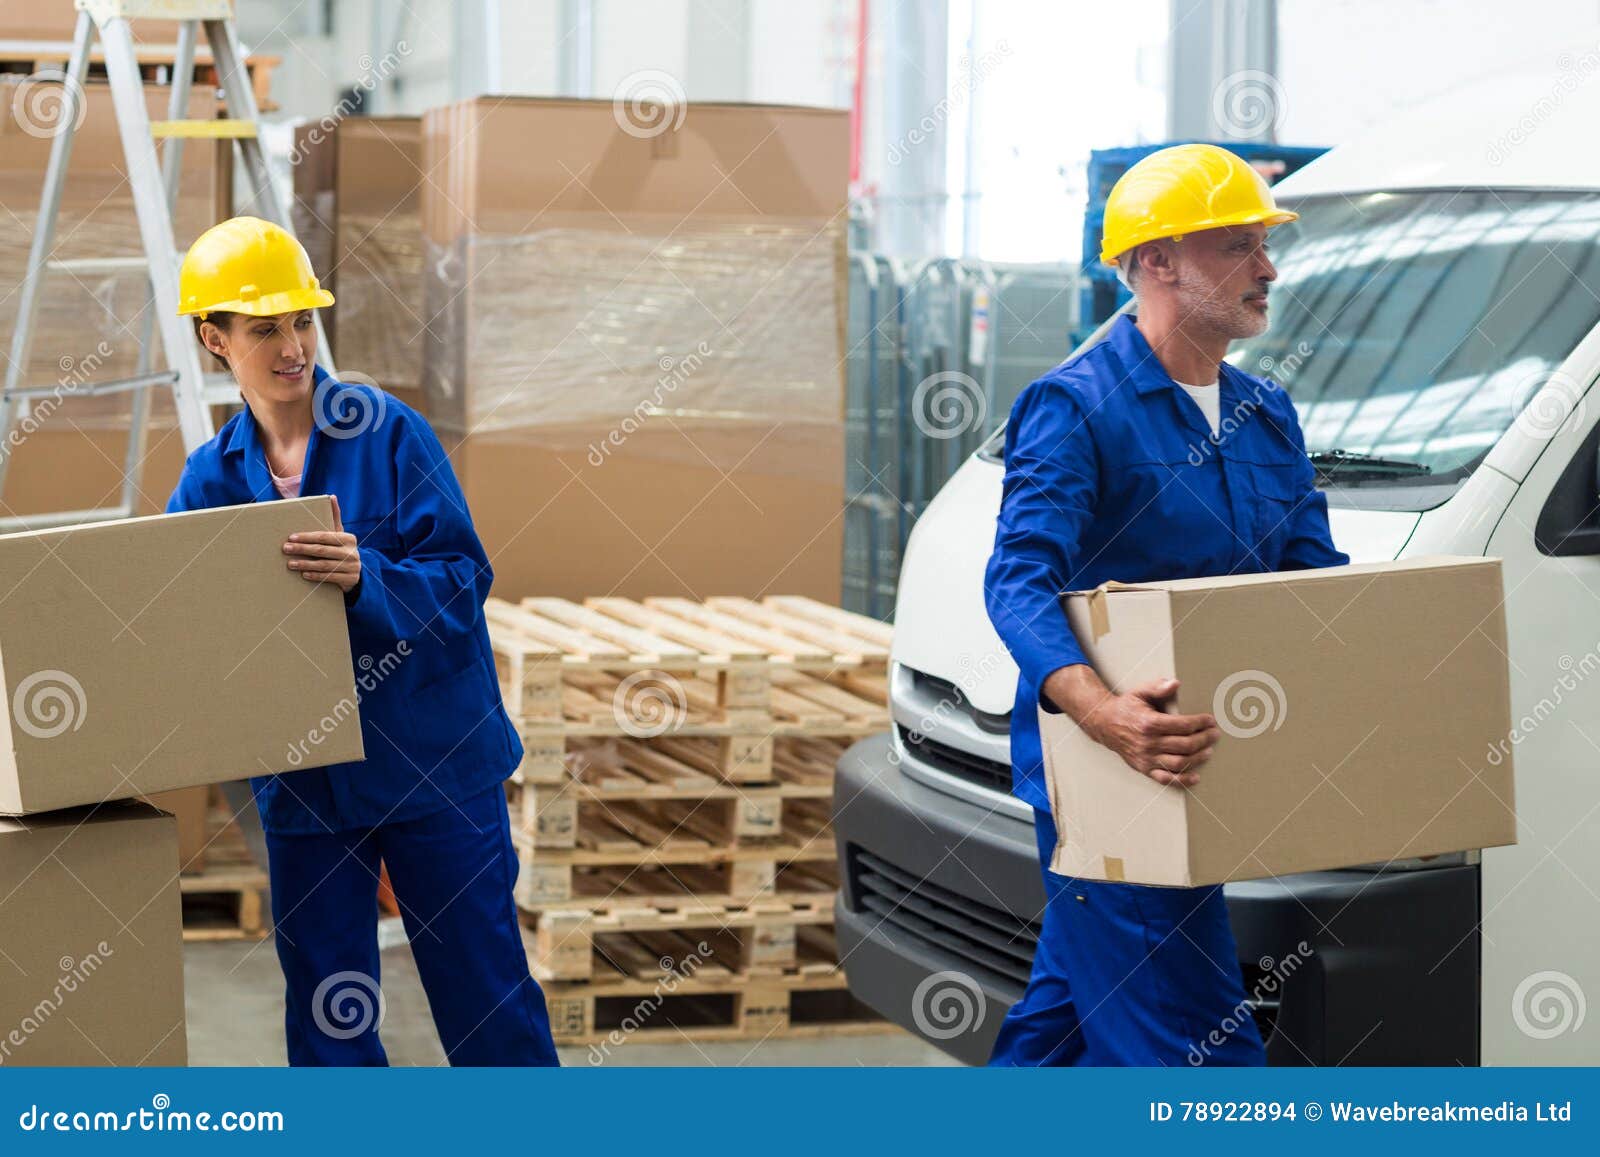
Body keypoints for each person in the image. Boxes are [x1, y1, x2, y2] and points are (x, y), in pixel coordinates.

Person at [983, 144, 1348, 1067]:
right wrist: (1105, 714)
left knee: (1063, 1027)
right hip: (1117, 781)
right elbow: (1017, 582)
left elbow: (1314, 586)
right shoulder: (1079, 407)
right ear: (1155, 263)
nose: (1267, 268)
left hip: (1210, 772)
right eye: (1236, 246)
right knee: (1198, 1053)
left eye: (1265, 244)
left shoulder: (1266, 413)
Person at [167, 216, 559, 1067]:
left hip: (435, 766)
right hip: (309, 785)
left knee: (487, 1001)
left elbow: (464, 579)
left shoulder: (387, 433)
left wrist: (366, 578)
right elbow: (184, 622)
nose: (292, 345)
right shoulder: (209, 480)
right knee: (328, 1019)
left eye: (302, 321)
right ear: (214, 339)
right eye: (265, 328)